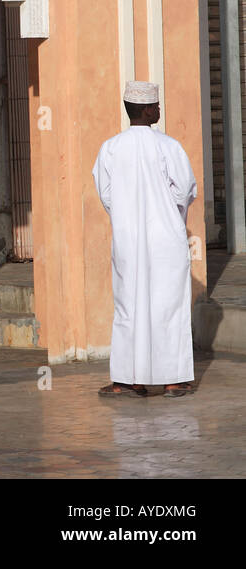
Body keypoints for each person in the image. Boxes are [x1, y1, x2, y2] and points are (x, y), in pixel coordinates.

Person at [92, 81, 198, 399]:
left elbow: (106, 195)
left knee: (128, 306)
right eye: (157, 106)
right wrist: (167, 214)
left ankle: (127, 381)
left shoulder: (110, 148)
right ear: (148, 110)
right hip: (166, 241)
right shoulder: (169, 147)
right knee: (169, 307)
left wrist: (128, 218)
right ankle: (173, 380)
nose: (160, 110)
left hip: (127, 241)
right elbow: (185, 191)